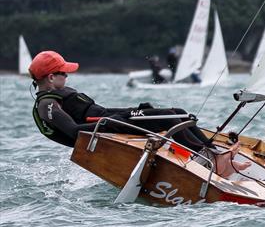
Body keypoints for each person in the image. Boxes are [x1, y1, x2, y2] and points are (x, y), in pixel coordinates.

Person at [29, 51, 249, 178]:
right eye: (63, 72)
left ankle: (213, 153)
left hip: (113, 120)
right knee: (169, 118)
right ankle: (212, 161)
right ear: (50, 77)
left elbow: (98, 112)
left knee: (179, 113)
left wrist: (129, 109)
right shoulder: (47, 104)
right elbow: (73, 131)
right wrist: (112, 121)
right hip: (110, 129)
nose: (67, 76)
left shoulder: (58, 94)